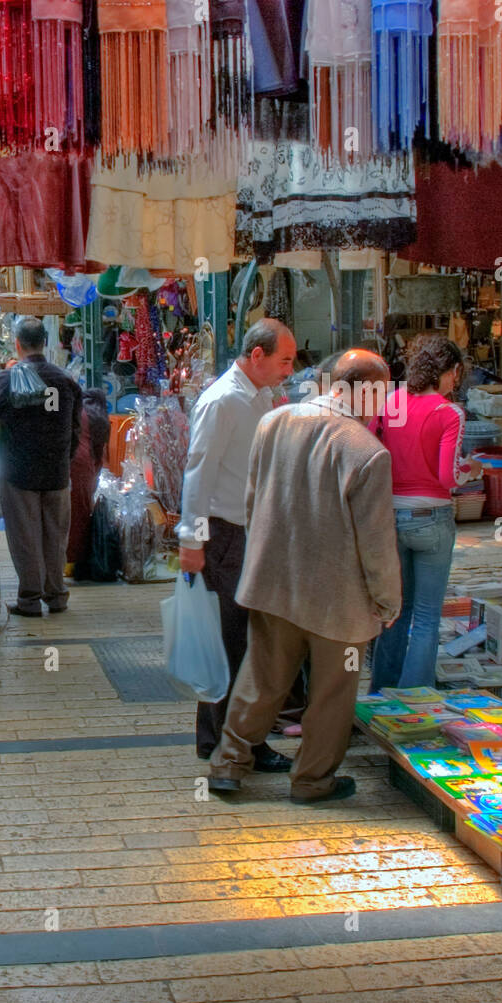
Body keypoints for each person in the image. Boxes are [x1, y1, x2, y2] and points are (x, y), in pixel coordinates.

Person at [208, 350, 401, 804]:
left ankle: (229, 763)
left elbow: (252, 502)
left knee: (261, 678)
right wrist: (387, 601)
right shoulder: (367, 452)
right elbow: (377, 542)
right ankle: (312, 781)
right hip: (340, 599)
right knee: (333, 692)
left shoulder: (274, 424)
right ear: (365, 391)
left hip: (273, 581)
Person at [179, 318, 296, 769]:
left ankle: (239, 737)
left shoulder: (259, 396)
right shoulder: (224, 400)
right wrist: (192, 539)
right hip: (225, 533)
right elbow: (199, 470)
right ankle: (226, 742)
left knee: (248, 640)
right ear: (258, 356)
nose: (290, 369)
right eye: (284, 360)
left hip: (251, 531)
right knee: (231, 642)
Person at [370, 335, 476, 692]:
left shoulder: (391, 403)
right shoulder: (449, 413)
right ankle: (416, 697)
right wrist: (472, 469)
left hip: (391, 517)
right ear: (452, 372)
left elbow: (372, 452)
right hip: (432, 517)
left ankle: (381, 692)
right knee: (428, 616)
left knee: (395, 612)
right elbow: (449, 476)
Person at [0, 317, 82, 618]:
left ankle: (30, 600)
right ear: (45, 343)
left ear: (17, 344)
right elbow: (77, 426)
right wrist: (66, 457)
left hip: (18, 472)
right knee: (55, 537)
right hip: (56, 471)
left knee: (25, 538)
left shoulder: (10, 378)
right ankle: (57, 596)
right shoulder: (64, 380)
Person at [68, 386, 112, 571]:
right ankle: (76, 562)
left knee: (68, 514)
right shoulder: (101, 419)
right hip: (83, 466)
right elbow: (99, 454)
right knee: (82, 513)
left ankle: (64, 561)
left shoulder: (78, 411)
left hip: (66, 462)